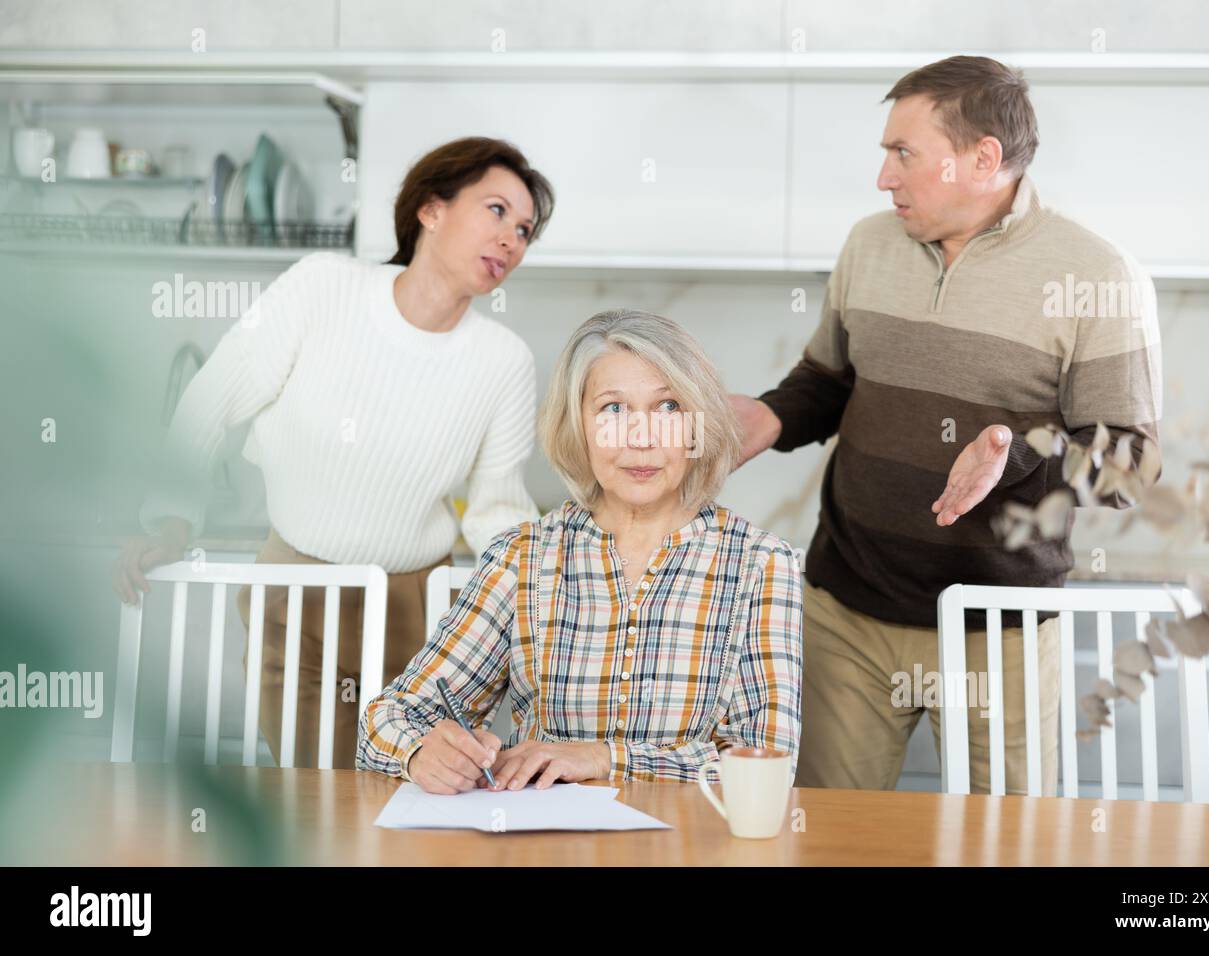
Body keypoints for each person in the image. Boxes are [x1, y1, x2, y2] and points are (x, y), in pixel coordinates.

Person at [731, 56, 1162, 795]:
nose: (884, 178)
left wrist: (1019, 460)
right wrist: (765, 417)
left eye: (904, 153)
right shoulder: (869, 244)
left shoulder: (1097, 274)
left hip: (1001, 631)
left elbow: (1129, 464)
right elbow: (828, 382)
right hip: (848, 614)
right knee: (831, 842)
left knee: (1008, 847)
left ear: (982, 158)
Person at [112, 137, 555, 767]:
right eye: (495, 211)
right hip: (293, 595)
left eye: (524, 229)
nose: (511, 239)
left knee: (410, 804)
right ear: (431, 209)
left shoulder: (504, 362)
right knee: (316, 795)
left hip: (418, 615)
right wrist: (172, 521)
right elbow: (214, 398)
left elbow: (496, 511)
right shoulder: (322, 288)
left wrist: (544, 601)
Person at [358, 310, 803, 792]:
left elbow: (769, 760)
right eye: (613, 409)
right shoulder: (522, 557)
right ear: (578, 426)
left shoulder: (761, 563)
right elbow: (386, 721)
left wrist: (603, 757)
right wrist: (424, 751)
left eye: (669, 408)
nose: (641, 437)